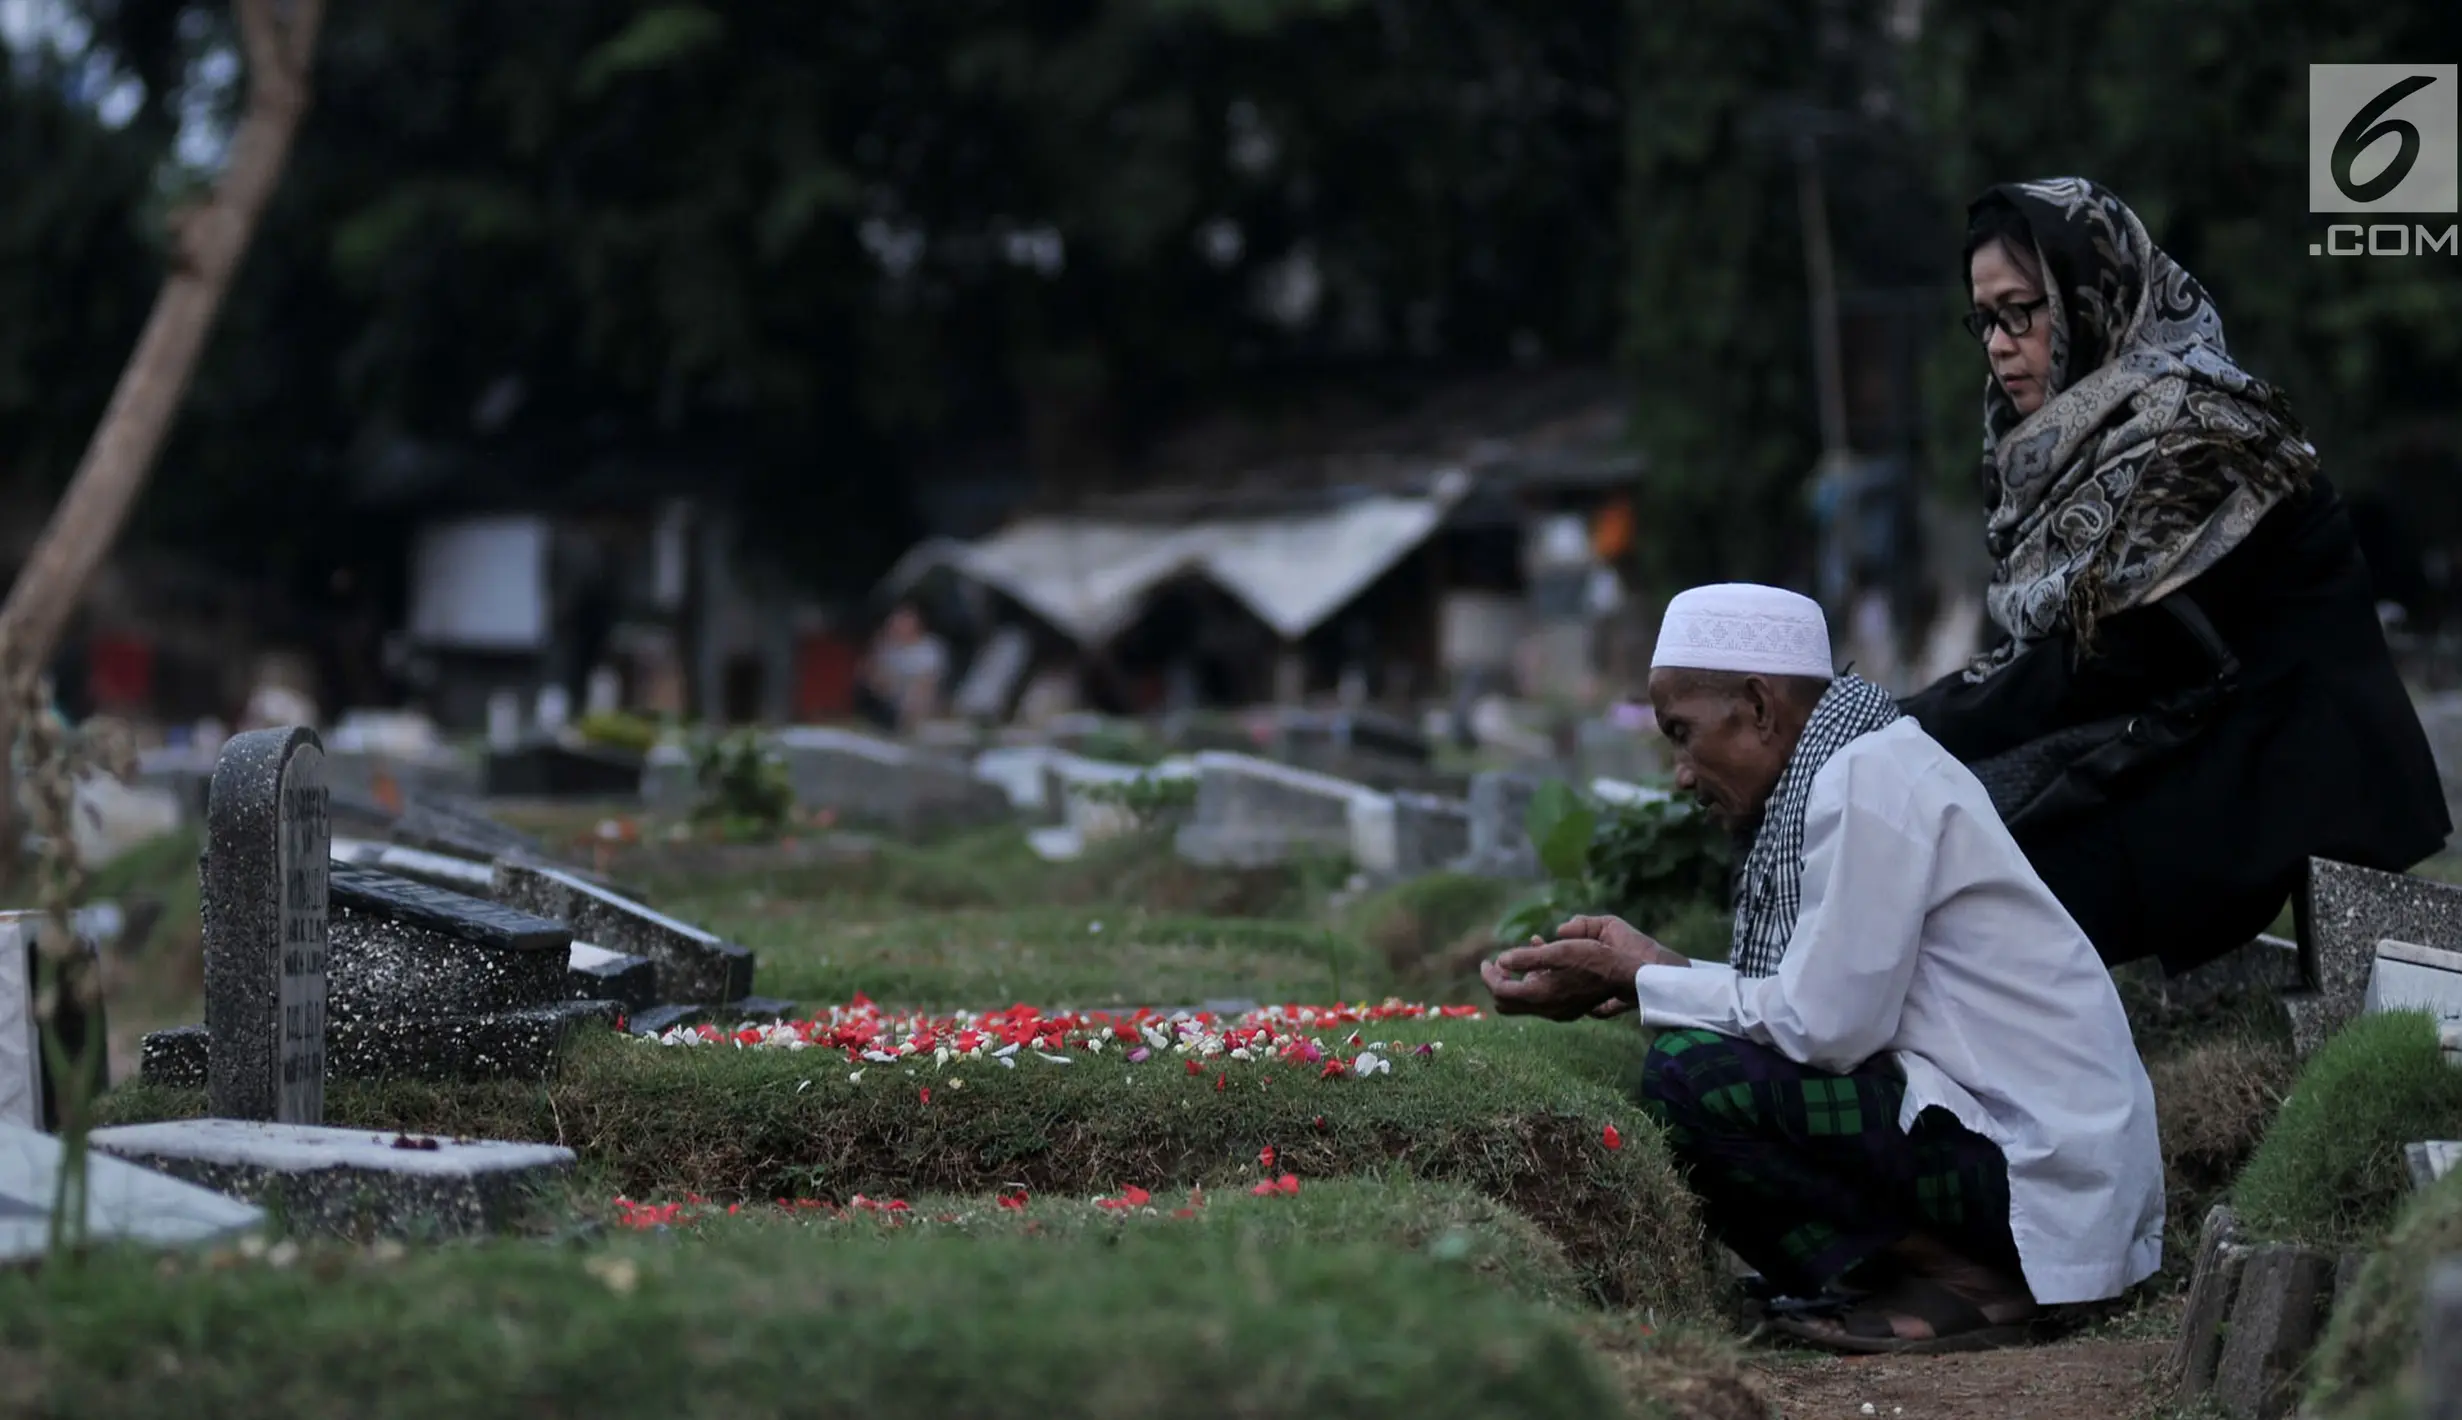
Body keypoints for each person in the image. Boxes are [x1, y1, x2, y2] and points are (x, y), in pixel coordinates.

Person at [1483, 583, 2163, 1355]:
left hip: (2035, 1170)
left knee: (1694, 1079)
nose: (1680, 772)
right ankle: (1923, 1272)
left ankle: (1974, 1283)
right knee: (1700, 1071)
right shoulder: (1856, 765)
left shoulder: (1867, 779)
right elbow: (1821, 998)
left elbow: (1825, 1028)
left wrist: (1640, 980)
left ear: (1761, 707)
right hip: (2006, 1145)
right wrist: (1652, 968)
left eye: (1682, 733)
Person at [1900, 177, 2448, 975]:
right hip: (2193, 761)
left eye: (2023, 310)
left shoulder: (2200, 442)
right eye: (1983, 319)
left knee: (1975, 902)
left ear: (2094, 297)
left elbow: (2106, 662)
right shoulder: (2060, 444)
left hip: (2287, 787)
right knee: (1946, 849)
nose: (1998, 342)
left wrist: (1907, 720)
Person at [855, 603, 949, 736]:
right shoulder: (886, 647)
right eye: (894, 620)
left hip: (918, 711)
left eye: (903, 621)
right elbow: (870, 677)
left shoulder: (930, 649)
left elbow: (925, 687)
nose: (896, 625)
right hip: (884, 707)